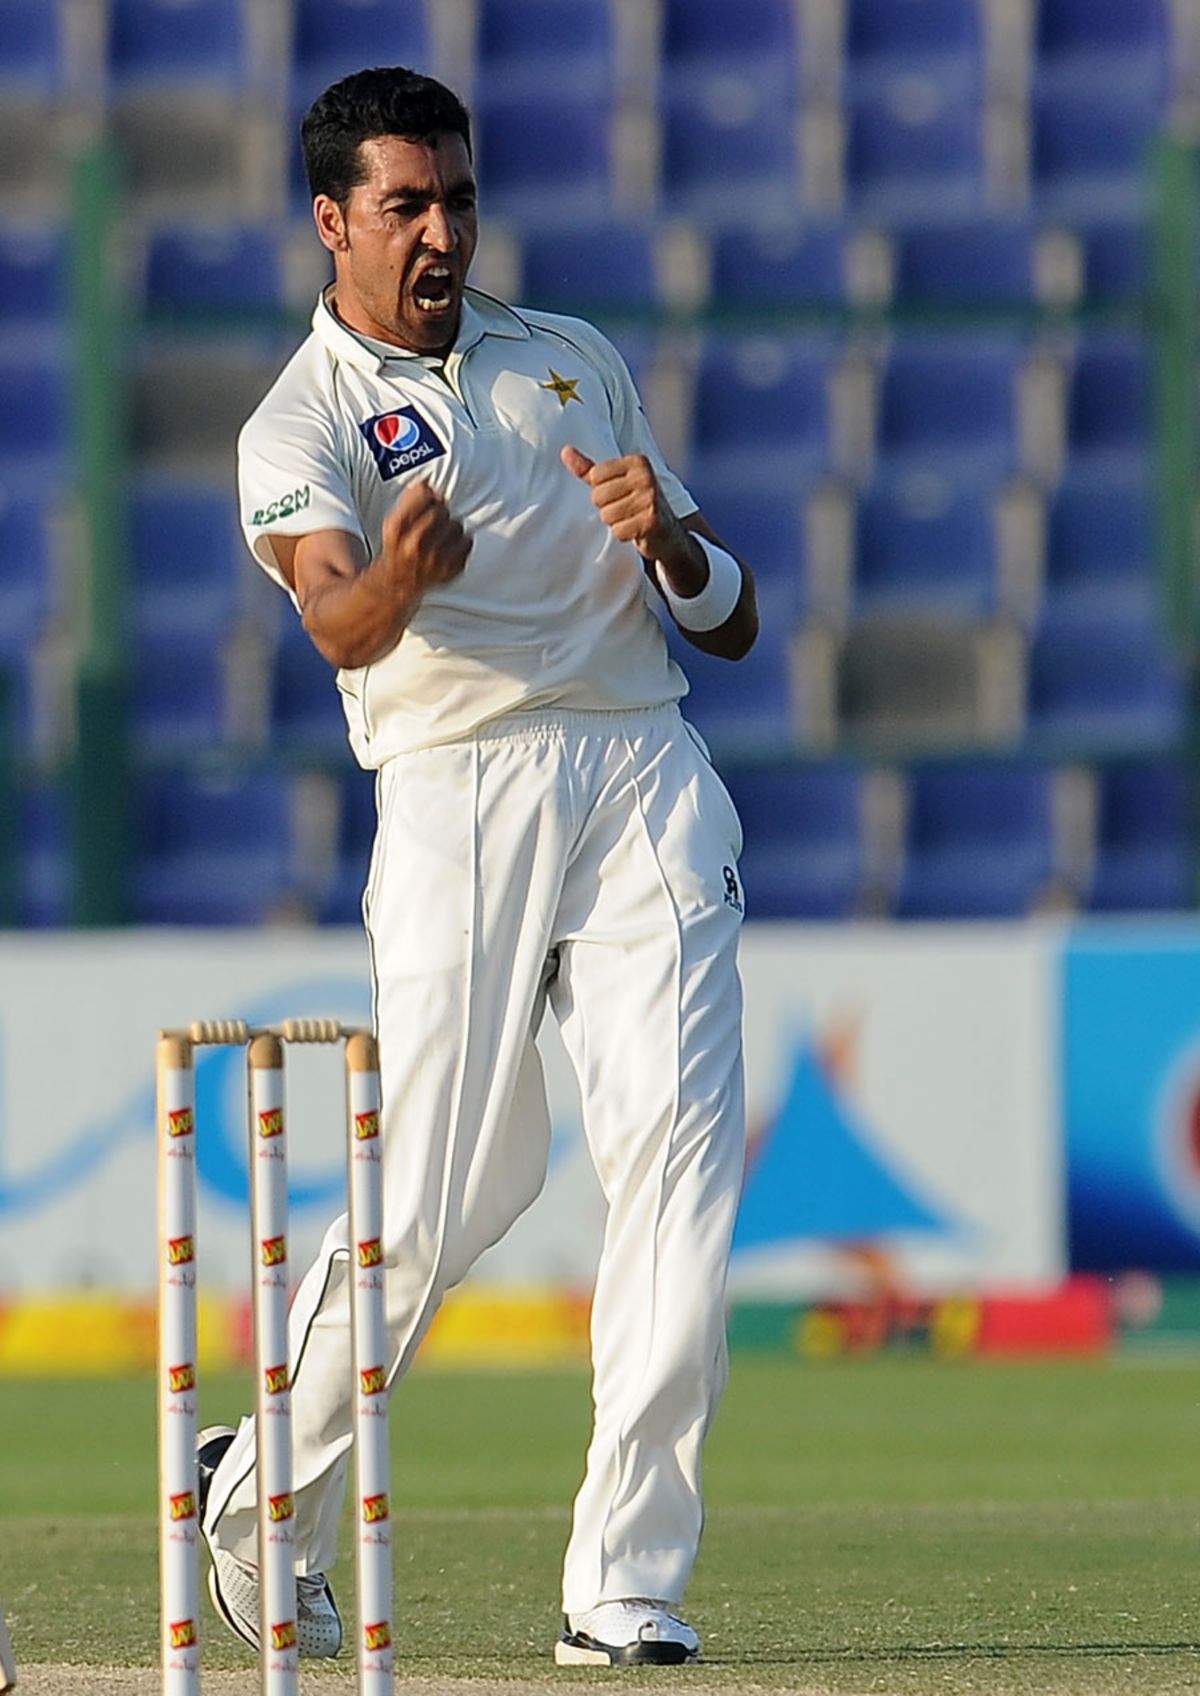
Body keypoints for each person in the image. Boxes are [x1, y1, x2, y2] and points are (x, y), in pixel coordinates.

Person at [198, 65, 758, 1669]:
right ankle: (256, 1490)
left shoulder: (569, 358)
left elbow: (731, 621)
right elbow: (332, 624)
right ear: (332, 221)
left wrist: (674, 546)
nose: (441, 232)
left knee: (677, 1162)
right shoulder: (301, 420)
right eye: (406, 206)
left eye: (457, 199)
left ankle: (625, 1580)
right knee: (455, 1184)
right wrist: (397, 573)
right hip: (456, 785)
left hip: (643, 764)